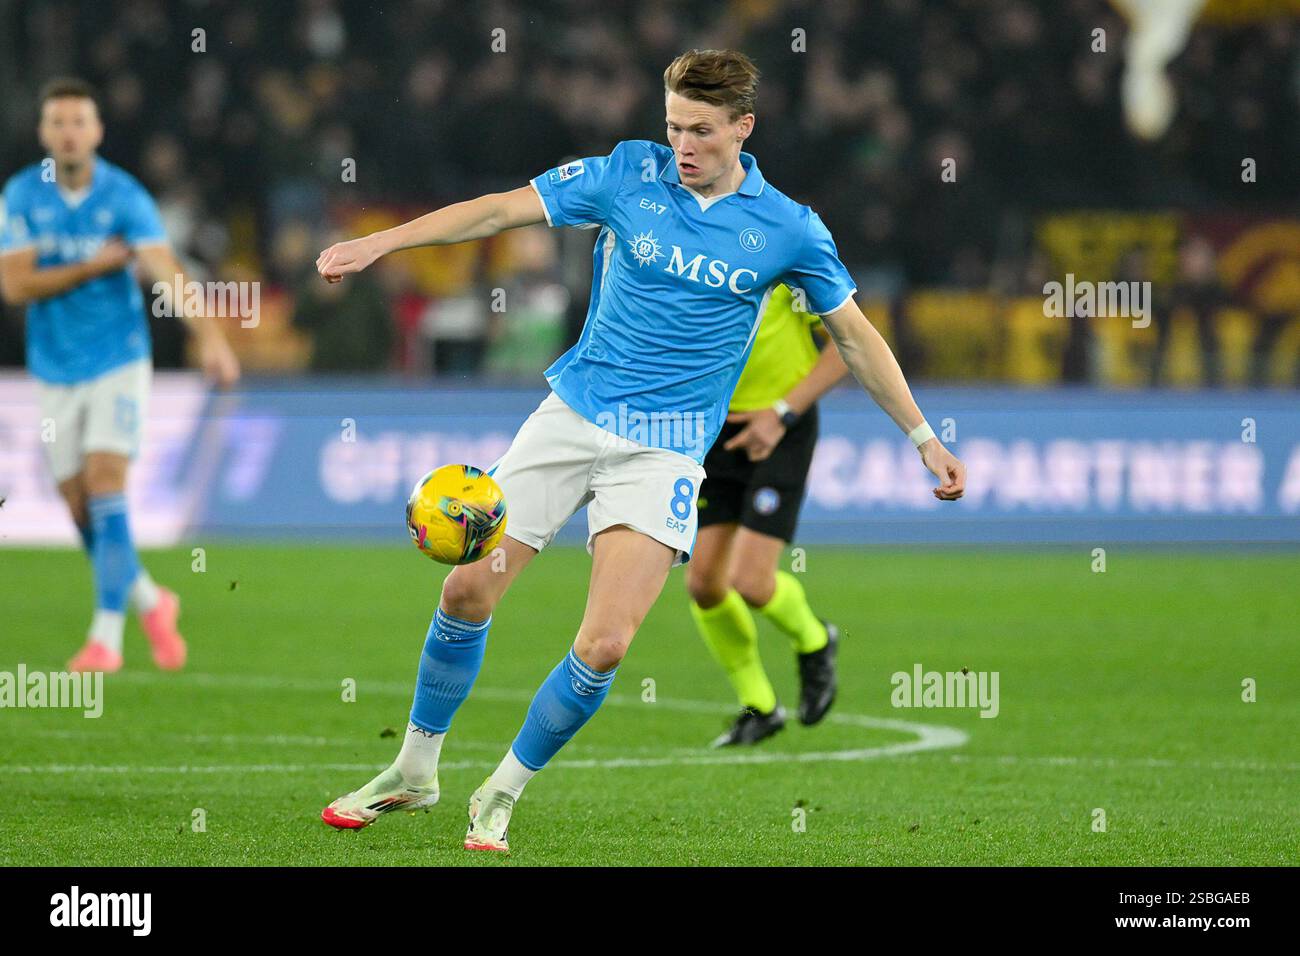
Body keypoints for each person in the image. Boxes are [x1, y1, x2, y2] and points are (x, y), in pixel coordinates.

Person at [315, 49, 965, 853]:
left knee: (605, 645)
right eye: (673, 126)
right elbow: (497, 212)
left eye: (701, 130)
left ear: (744, 127)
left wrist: (923, 437)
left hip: (664, 453)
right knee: (466, 590)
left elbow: (857, 339)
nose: (682, 145)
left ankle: (502, 790)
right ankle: (414, 771)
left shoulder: (788, 228)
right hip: (571, 416)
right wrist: (382, 243)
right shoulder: (627, 174)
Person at [0, 78, 240, 673]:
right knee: (79, 506)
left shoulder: (124, 195)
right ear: (44, 133)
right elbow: (15, 286)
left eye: (79, 122)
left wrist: (211, 339)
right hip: (54, 367)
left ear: (98, 132)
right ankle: (153, 601)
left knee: (106, 482)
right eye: (58, 122)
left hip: (118, 358)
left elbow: (168, 272)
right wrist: (91, 267)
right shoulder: (23, 194)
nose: (69, 133)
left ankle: (105, 636)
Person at [686, 283, 849, 746]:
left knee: (750, 581)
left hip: (782, 428)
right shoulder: (686, 259)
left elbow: (846, 347)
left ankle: (815, 639)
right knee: (704, 584)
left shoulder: (787, 262)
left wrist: (781, 413)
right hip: (715, 429)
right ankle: (759, 706)